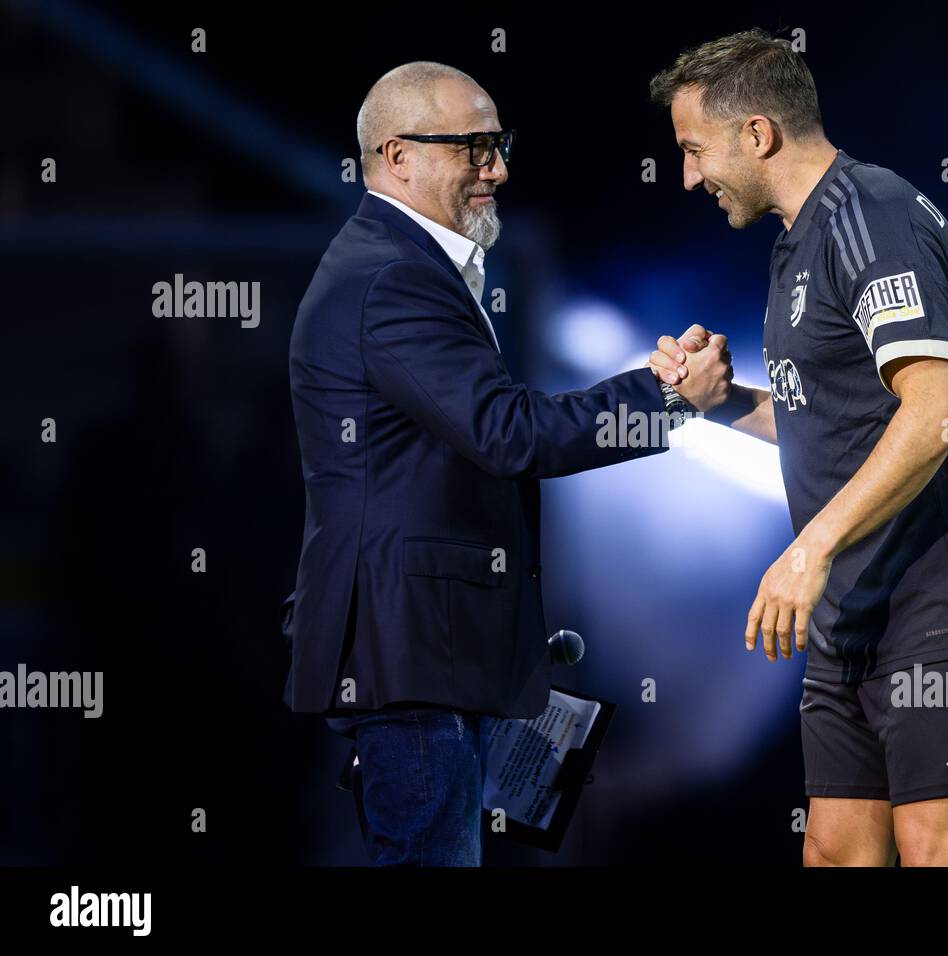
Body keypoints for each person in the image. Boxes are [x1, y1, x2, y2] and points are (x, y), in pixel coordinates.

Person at [645, 29, 948, 866]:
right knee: (837, 853)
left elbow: (936, 415)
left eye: (695, 150)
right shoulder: (797, 242)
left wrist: (810, 548)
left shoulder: (869, 214)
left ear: (758, 134)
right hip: (853, 612)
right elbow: (834, 418)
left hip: (942, 602)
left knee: (937, 853)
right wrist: (717, 402)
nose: (690, 175)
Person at [282, 61, 733, 866]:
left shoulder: (398, 267)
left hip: (427, 663)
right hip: (411, 668)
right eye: (476, 148)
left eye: (500, 144)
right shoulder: (390, 278)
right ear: (397, 156)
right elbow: (509, 432)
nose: (499, 169)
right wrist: (667, 396)